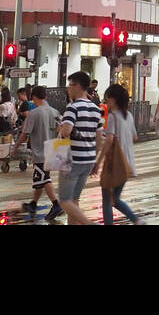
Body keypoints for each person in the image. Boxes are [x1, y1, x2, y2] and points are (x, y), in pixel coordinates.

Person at [56, 71, 103, 225]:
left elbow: (66, 132)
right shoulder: (96, 109)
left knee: (64, 201)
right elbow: (99, 139)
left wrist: (61, 128)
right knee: (74, 201)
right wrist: (95, 160)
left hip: (72, 160)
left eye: (70, 85)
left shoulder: (73, 107)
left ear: (78, 86)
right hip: (88, 160)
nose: (68, 88)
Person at [96, 83, 145, 225]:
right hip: (127, 164)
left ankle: (134, 220)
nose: (106, 102)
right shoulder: (128, 115)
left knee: (107, 199)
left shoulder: (113, 117)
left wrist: (98, 162)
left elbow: (109, 141)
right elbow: (134, 137)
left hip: (115, 164)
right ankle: (136, 220)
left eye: (108, 99)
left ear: (115, 100)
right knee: (114, 199)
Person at [15, 85, 62, 220]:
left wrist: (16, 146)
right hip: (53, 150)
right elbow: (61, 129)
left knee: (44, 178)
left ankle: (56, 204)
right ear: (45, 97)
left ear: (33, 97)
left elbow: (25, 133)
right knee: (40, 179)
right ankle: (33, 204)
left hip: (40, 152)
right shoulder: (55, 112)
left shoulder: (34, 113)